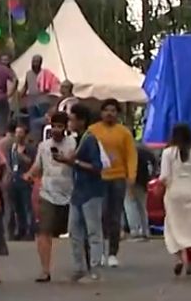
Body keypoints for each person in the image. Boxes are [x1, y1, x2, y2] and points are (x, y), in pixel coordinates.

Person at [24, 112, 76, 282]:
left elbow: (77, 164)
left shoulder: (73, 143)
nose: (56, 130)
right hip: (47, 193)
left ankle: (84, 266)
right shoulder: (43, 146)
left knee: (78, 232)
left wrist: (67, 160)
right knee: (43, 232)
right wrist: (29, 175)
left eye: (60, 126)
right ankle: (45, 270)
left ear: (66, 128)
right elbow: (37, 166)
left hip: (70, 194)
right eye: (54, 126)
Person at [88, 98, 136, 267]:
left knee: (114, 217)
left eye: (113, 110)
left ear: (117, 113)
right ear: (101, 113)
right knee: (99, 215)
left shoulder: (124, 133)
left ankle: (112, 253)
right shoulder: (92, 131)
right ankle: (99, 251)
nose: (109, 113)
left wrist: (131, 177)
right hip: (98, 178)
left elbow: (131, 156)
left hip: (117, 178)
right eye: (106, 110)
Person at [63, 104, 105, 283]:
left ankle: (95, 270)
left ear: (81, 120)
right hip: (78, 191)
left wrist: (74, 163)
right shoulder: (78, 139)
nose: (69, 123)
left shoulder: (90, 139)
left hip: (91, 191)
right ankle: (79, 267)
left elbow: (97, 167)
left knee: (93, 232)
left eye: (72, 119)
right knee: (74, 231)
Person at [160, 124, 191, 277]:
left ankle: (178, 259)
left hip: (174, 192)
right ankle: (189, 263)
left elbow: (164, 177)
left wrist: (166, 188)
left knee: (174, 227)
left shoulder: (168, 152)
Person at [7, 123, 36, 240]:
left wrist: (19, 154)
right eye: (17, 133)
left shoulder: (30, 149)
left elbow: (31, 162)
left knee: (27, 206)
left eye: (21, 133)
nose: (18, 135)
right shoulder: (11, 148)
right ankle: (20, 229)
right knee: (17, 207)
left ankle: (30, 230)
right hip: (14, 179)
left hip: (25, 179)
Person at [125, 138, 157, 241]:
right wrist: (151, 177)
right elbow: (154, 162)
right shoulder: (145, 149)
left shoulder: (129, 149)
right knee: (142, 206)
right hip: (144, 182)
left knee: (130, 205)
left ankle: (135, 230)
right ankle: (145, 230)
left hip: (131, 180)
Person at [20, 55, 55, 129]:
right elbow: (26, 86)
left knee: (44, 120)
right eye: (33, 62)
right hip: (31, 100)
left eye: (37, 62)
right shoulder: (28, 73)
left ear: (41, 63)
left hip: (43, 100)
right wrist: (20, 95)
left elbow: (51, 86)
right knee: (32, 121)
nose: (35, 64)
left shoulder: (45, 73)